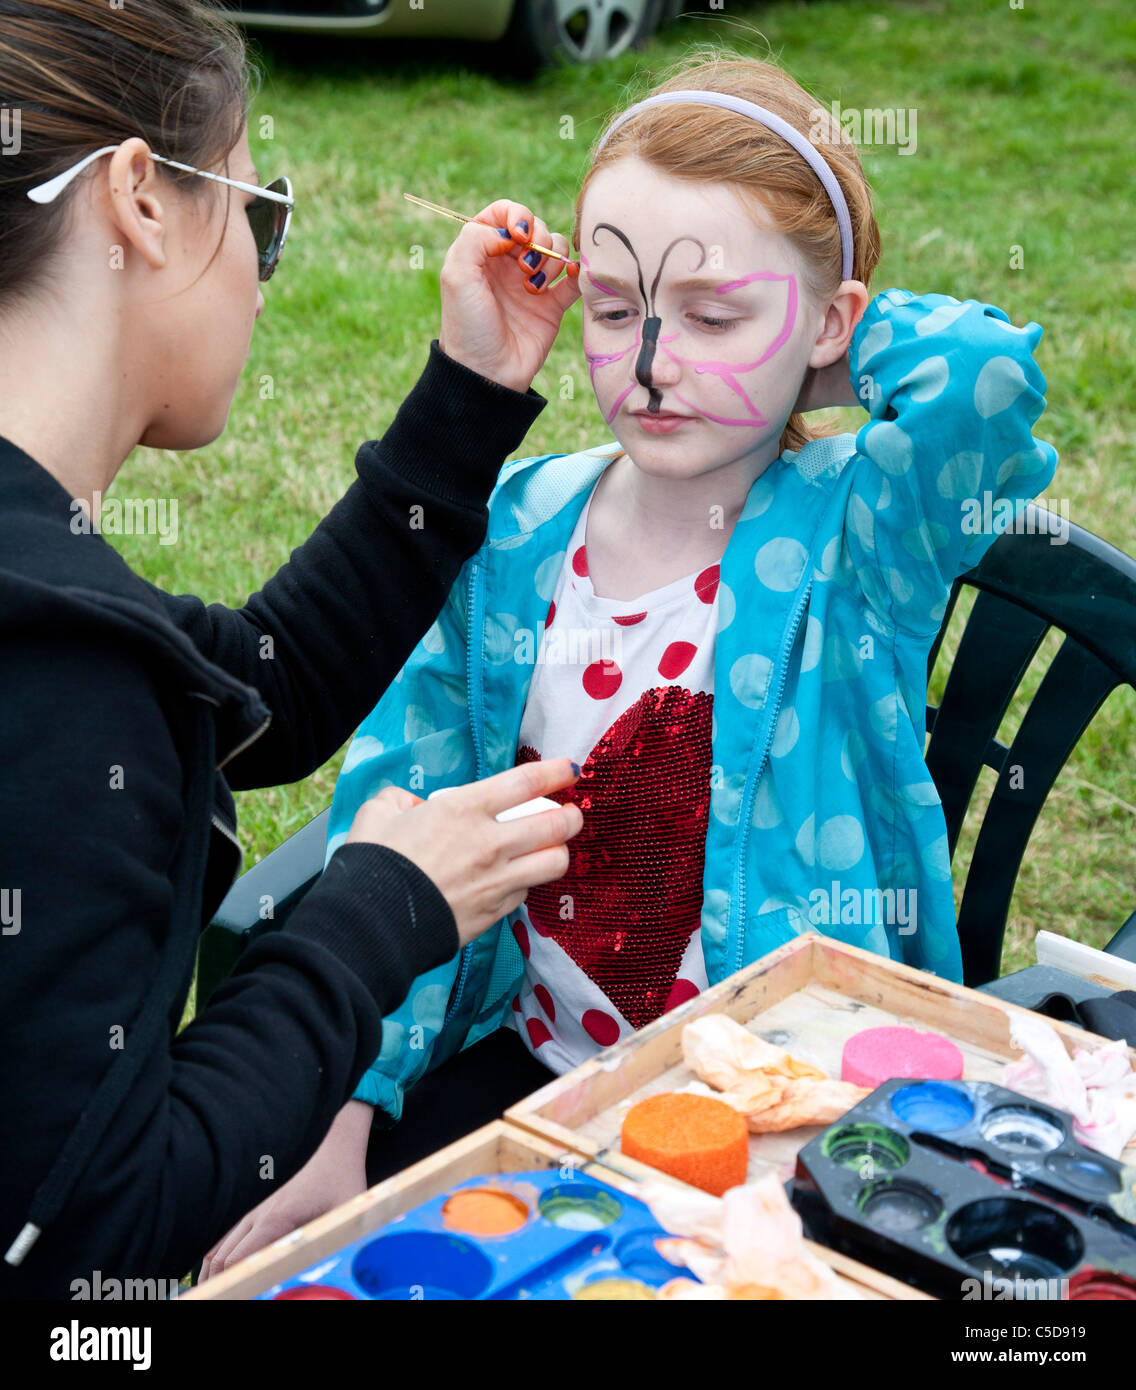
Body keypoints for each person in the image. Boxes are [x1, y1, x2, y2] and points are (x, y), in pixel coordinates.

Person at [200, 49, 1059, 1274]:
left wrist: (812, 349)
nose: (652, 363)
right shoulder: (512, 530)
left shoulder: (859, 534)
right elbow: (403, 811)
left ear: (829, 324)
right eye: (612, 310)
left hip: (806, 1115)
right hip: (541, 1075)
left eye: (711, 316)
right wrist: (343, 1125)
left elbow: (981, 381)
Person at [0, 0, 584, 1299]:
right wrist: (376, 913)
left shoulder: (49, 594)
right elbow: (98, 1234)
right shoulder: (54, 668)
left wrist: (470, 391)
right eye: (259, 217)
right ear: (139, 200)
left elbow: (267, 680)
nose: (264, 277)